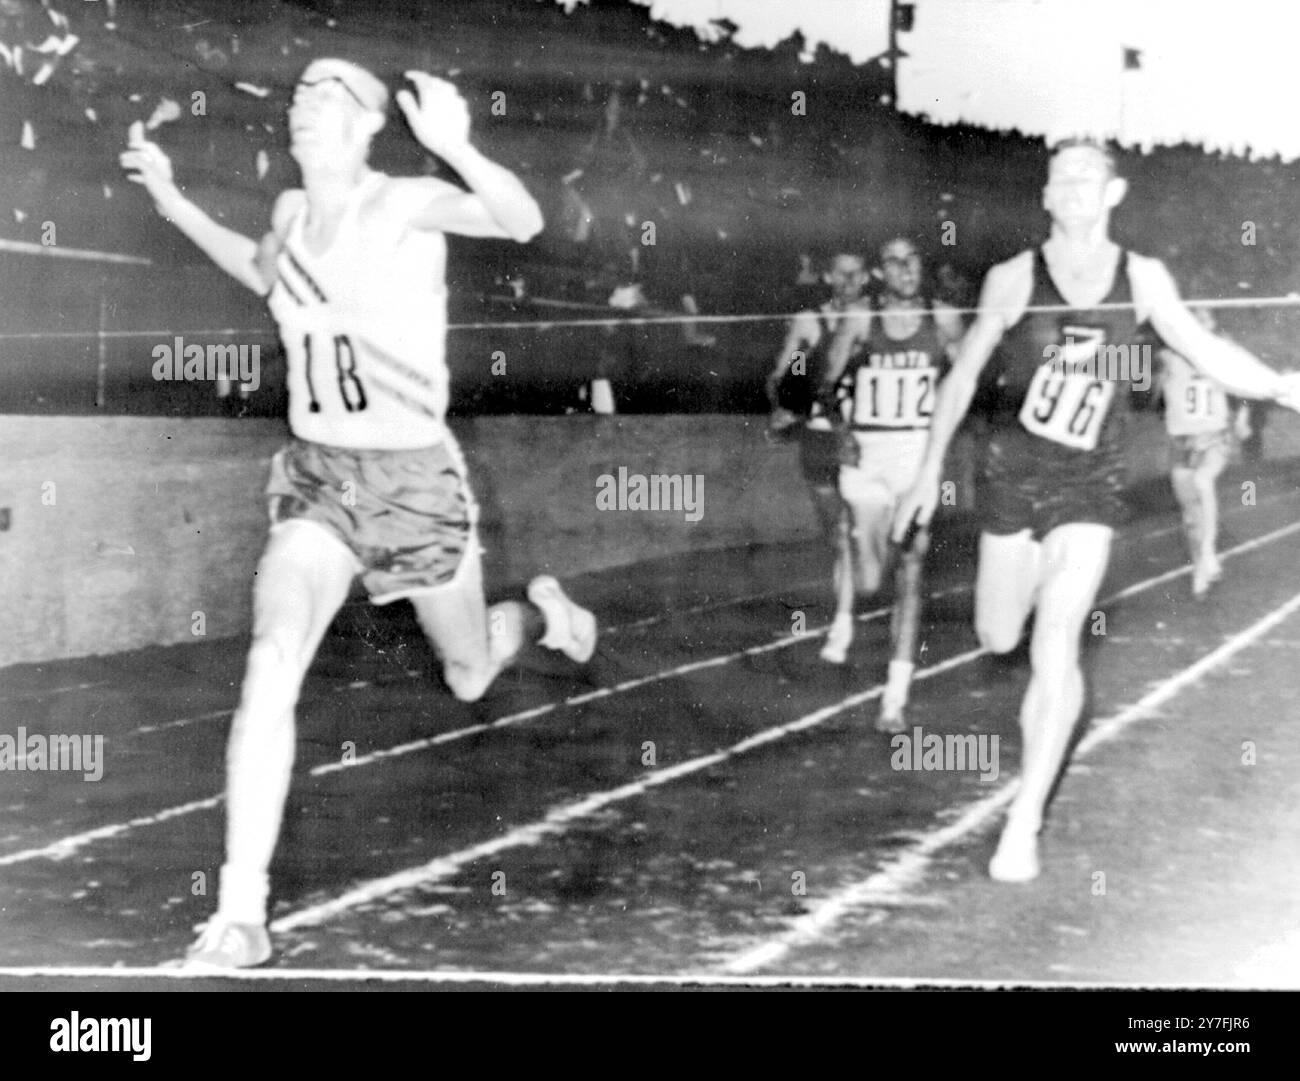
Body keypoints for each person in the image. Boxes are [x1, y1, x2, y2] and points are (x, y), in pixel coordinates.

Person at [121, 59, 598, 967]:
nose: (305, 104)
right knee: (270, 655)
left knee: (466, 672)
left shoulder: (407, 202)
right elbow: (265, 275)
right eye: (298, 91)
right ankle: (241, 912)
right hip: (316, 479)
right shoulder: (292, 215)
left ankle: (542, 613)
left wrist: (459, 146)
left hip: (413, 481)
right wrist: (175, 204)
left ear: (372, 123)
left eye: (330, 94)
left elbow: (521, 219)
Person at [891, 138, 1300, 883]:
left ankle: (1024, 820)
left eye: (1089, 174)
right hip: (1012, 475)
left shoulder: (1142, 278)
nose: (1073, 184)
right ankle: (1025, 676)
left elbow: (1204, 349)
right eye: (1060, 176)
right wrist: (925, 476)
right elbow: (961, 378)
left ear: (1114, 194)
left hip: (1090, 482)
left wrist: (1276, 386)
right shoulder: (1015, 277)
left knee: (1058, 642)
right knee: (998, 632)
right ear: (1046, 197)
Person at [818, 238, 964, 732]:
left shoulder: (943, 317)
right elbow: (825, 380)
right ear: (881, 271)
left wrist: (941, 443)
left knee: (912, 567)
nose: (906, 269)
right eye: (895, 262)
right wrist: (841, 433)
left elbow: (967, 381)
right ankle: (849, 578)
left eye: (913, 259)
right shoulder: (861, 317)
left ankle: (894, 699)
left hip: (915, 461)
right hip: (867, 457)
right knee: (870, 580)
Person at [765, 252, 870, 545]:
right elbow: (779, 376)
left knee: (867, 532)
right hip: (822, 439)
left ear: (866, 277)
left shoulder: (880, 320)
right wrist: (783, 408)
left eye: (855, 273)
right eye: (840, 273)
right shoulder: (809, 321)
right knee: (836, 533)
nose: (848, 281)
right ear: (827, 277)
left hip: (866, 439)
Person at [1157, 306, 1251, 596]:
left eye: (1206, 317)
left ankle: (1209, 550)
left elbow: (1249, 384)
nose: (1200, 323)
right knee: (1189, 513)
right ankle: (1200, 563)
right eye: (1194, 318)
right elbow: (1140, 378)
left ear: (1213, 322)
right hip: (1181, 439)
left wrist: (1243, 418)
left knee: (1203, 481)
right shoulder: (1168, 354)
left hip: (1214, 435)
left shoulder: (1223, 351)